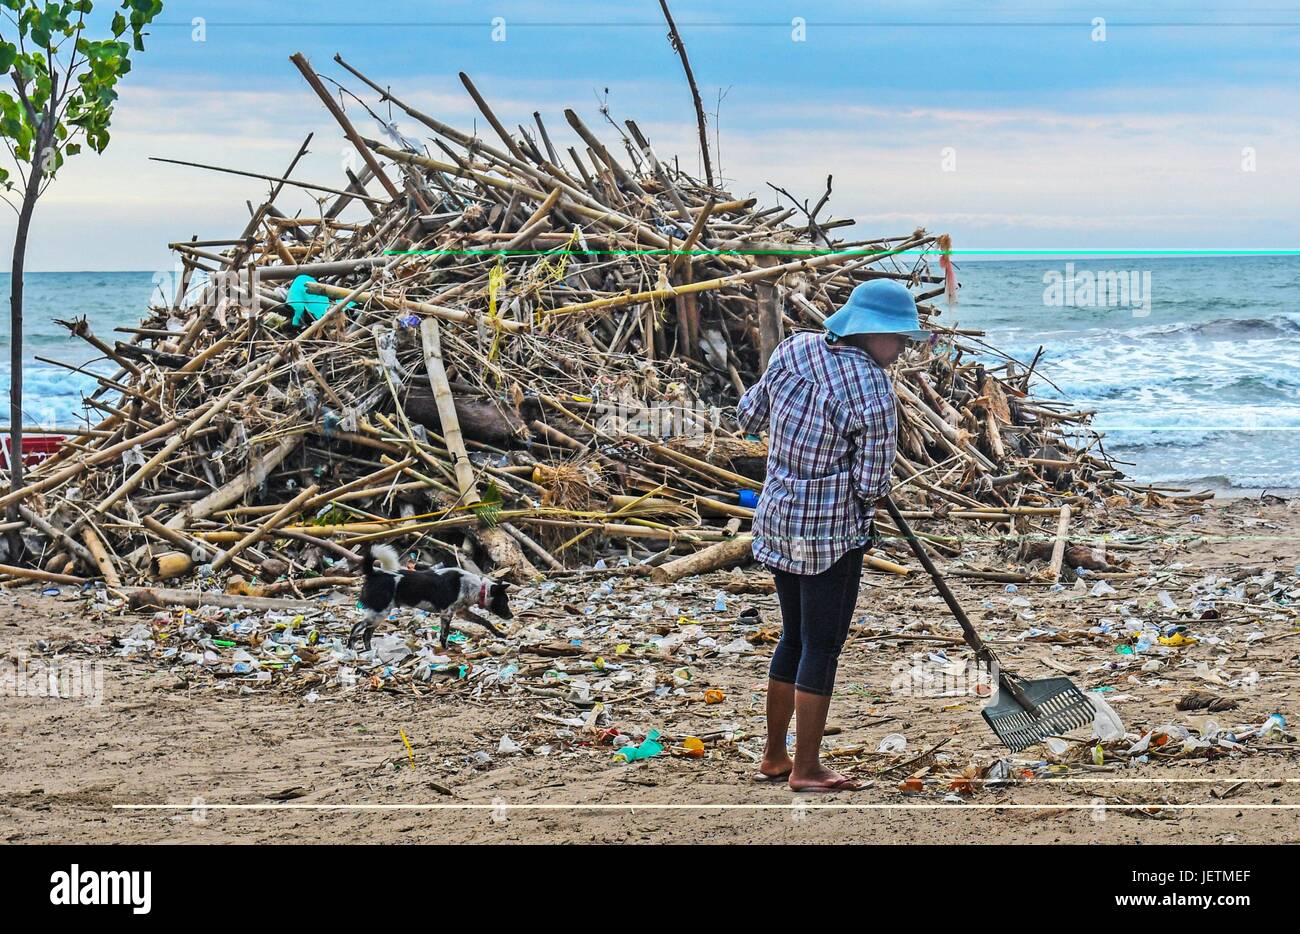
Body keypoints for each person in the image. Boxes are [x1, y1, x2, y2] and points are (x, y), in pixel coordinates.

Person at [735, 278, 930, 792]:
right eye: (900, 339)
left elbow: (749, 416)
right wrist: (856, 487)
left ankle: (775, 756)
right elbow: (870, 483)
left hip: (779, 518)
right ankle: (807, 768)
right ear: (873, 332)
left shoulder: (794, 348)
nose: (903, 349)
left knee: (793, 636)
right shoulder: (873, 388)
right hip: (829, 534)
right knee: (821, 645)